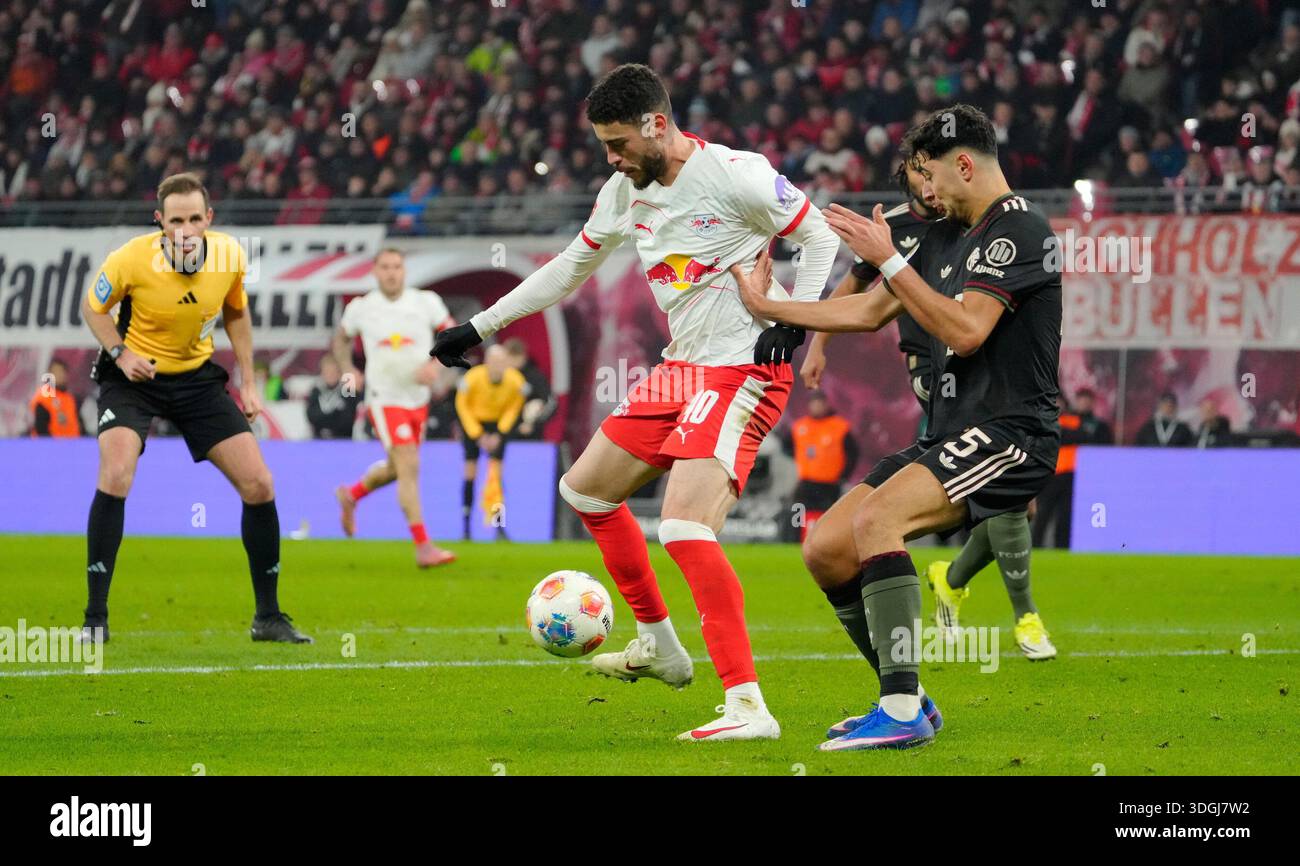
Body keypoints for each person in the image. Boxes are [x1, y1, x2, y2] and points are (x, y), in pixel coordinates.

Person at [431, 64, 839, 741]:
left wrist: (792, 322)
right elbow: (569, 266)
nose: (612, 159)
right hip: (682, 369)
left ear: (657, 124)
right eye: (604, 147)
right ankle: (661, 645)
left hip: (743, 370)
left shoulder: (737, 174)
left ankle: (747, 708)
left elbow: (819, 236)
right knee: (586, 490)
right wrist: (481, 327)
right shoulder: (624, 190)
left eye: (619, 144)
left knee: (682, 527)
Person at [735, 104, 1062, 750]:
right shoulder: (947, 233)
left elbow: (968, 331)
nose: (923, 193)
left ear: (964, 165)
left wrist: (889, 259)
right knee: (827, 546)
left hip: (1011, 433)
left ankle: (901, 708)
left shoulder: (1019, 230)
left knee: (876, 522)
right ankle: (907, 693)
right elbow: (866, 311)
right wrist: (769, 305)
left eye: (928, 177)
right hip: (948, 434)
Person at [78, 172, 312, 645]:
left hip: (196, 380)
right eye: (175, 220)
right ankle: (95, 619)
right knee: (117, 471)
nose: (184, 230)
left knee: (259, 483)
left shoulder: (229, 254)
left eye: (193, 219)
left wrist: (248, 381)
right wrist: (122, 354)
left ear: (209, 218)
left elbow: (236, 312)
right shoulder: (130, 260)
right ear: (159, 221)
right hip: (133, 380)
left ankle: (268, 617)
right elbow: (93, 309)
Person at [332, 248, 457, 568]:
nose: (391, 273)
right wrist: (348, 368)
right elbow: (341, 339)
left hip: (418, 398)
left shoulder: (426, 301)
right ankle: (423, 545)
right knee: (409, 464)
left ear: (405, 271)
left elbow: (454, 335)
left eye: (397, 267)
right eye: (385, 267)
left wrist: (437, 364)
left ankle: (352, 494)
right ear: (374, 271)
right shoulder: (362, 307)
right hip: (384, 398)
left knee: (396, 468)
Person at [454, 344, 526, 539]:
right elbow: (462, 406)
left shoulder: (515, 381)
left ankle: (498, 525)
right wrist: (477, 434)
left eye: (502, 362)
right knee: (470, 473)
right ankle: (466, 526)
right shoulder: (473, 377)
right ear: (487, 362)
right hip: (474, 425)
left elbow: (514, 408)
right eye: (494, 361)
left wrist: (500, 433)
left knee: (496, 476)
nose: (498, 366)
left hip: (497, 427)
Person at [782, 390, 858, 542]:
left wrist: (843, 475)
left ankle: (828, 543)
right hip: (806, 482)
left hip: (829, 484)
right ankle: (794, 542)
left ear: (826, 404)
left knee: (829, 516)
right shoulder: (800, 426)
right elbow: (786, 445)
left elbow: (853, 453)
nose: (816, 407)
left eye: (819, 403)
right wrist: (799, 457)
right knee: (797, 513)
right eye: (814, 403)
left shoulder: (840, 426)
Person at [501, 337, 555, 440]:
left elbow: (550, 404)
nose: (505, 362)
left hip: (529, 439)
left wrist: (533, 423)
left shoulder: (535, 377)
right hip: (502, 436)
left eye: (509, 357)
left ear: (520, 356)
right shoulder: (499, 377)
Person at [305, 354, 360, 440]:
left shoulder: (348, 391)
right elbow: (311, 416)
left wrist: (328, 416)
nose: (330, 375)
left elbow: (348, 419)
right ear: (322, 373)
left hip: (343, 440)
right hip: (319, 439)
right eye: (327, 372)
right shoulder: (316, 390)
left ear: (339, 373)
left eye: (333, 372)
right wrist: (327, 413)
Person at [29, 358, 84, 437]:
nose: (60, 375)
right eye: (56, 372)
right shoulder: (44, 397)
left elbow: (80, 424)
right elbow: (41, 429)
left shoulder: (70, 398)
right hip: (50, 446)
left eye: (62, 371)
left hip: (73, 445)